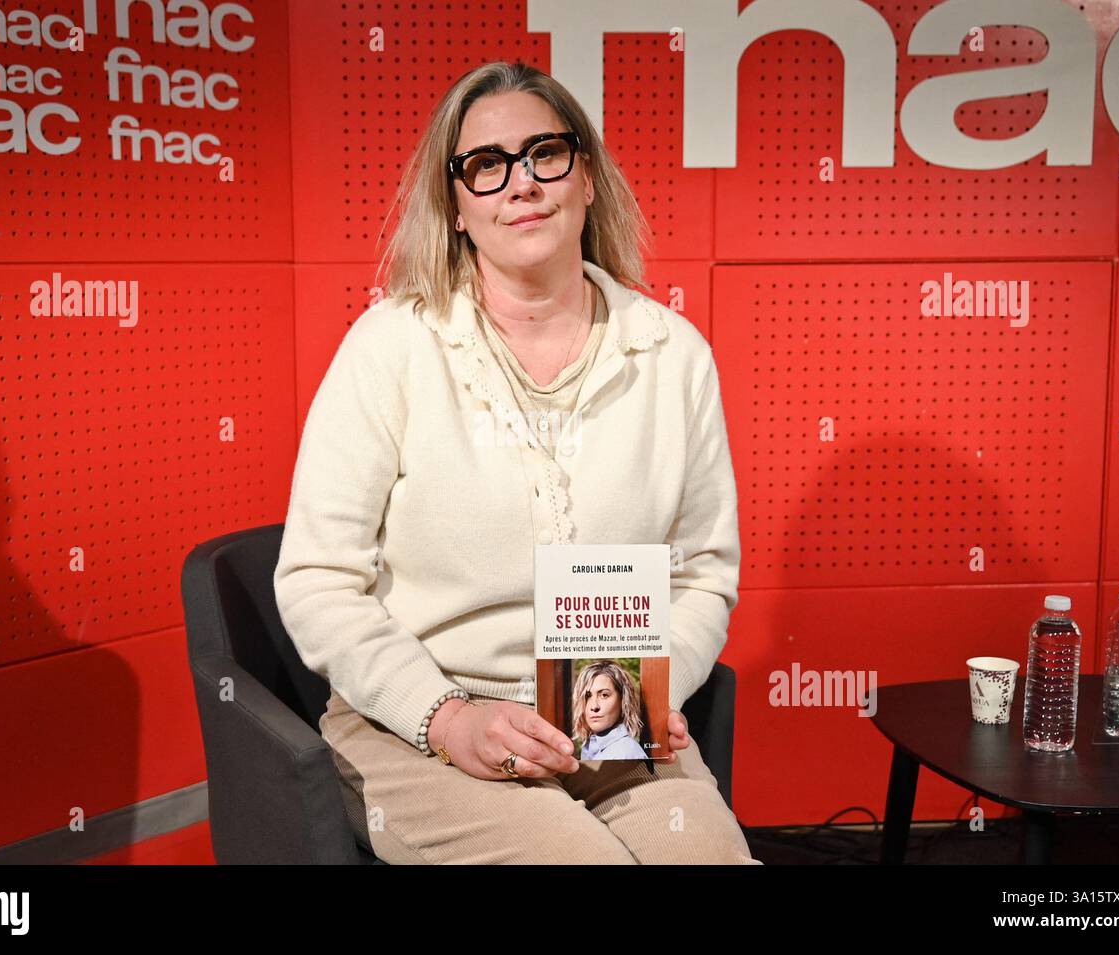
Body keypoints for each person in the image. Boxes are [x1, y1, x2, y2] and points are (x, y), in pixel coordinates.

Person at [273, 60, 762, 865]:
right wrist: (445, 716)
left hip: (607, 716)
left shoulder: (674, 354)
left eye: (546, 153)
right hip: (421, 726)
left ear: (589, 178)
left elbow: (703, 569)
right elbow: (316, 580)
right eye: (487, 166)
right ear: (457, 206)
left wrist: (651, 683)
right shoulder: (391, 348)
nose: (522, 183)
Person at [573, 662, 649, 761]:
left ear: (623, 700)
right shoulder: (589, 748)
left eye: (604, 695)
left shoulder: (624, 753)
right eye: (587, 696)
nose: (594, 706)